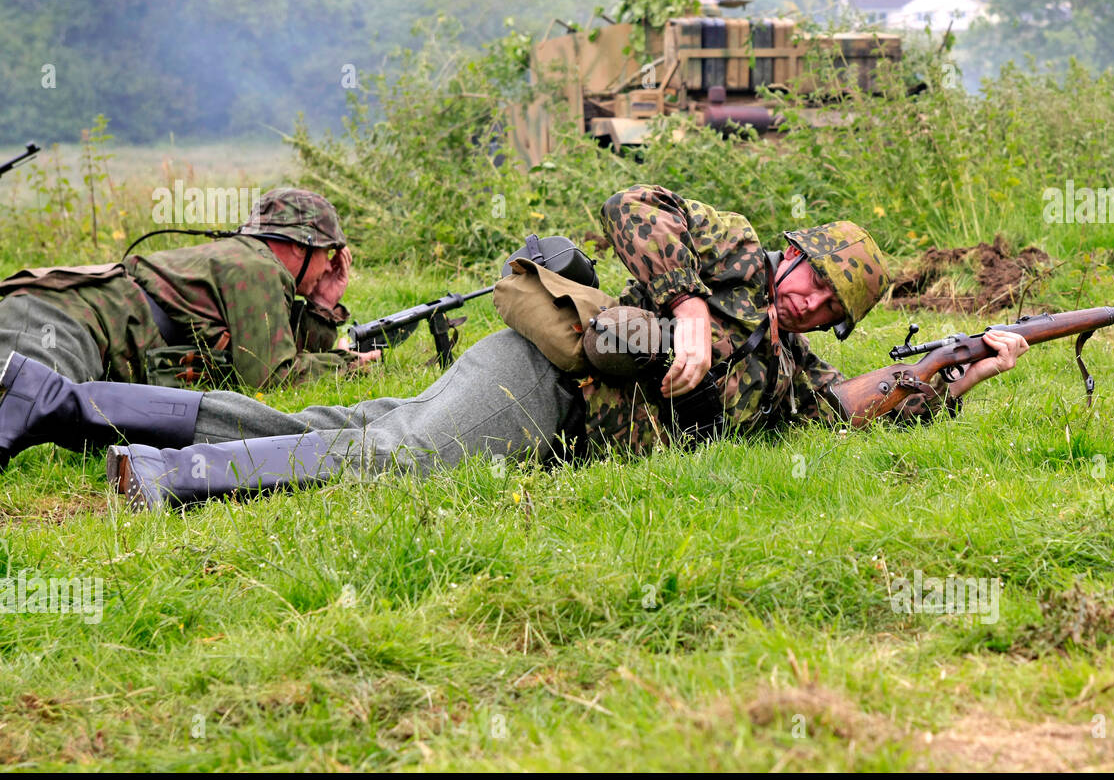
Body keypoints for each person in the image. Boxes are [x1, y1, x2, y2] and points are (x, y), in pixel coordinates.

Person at [0, 184, 1028, 509]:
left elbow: (847, 408)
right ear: (793, 251)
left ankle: (64, 408)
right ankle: (176, 481)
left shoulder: (792, 377)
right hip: (542, 376)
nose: (802, 298)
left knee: (344, 422)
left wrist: (954, 372)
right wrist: (690, 307)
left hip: (553, 434)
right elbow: (631, 203)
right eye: (808, 275)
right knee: (398, 459)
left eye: (825, 305)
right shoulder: (726, 253)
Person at [0, 187, 380, 390]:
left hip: (69, 318)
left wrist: (324, 303)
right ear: (300, 245)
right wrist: (345, 366)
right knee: (23, 399)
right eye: (327, 253)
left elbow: (270, 350)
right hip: (63, 317)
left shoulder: (251, 263)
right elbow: (270, 377)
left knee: (38, 405)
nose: (330, 265)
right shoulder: (259, 268)